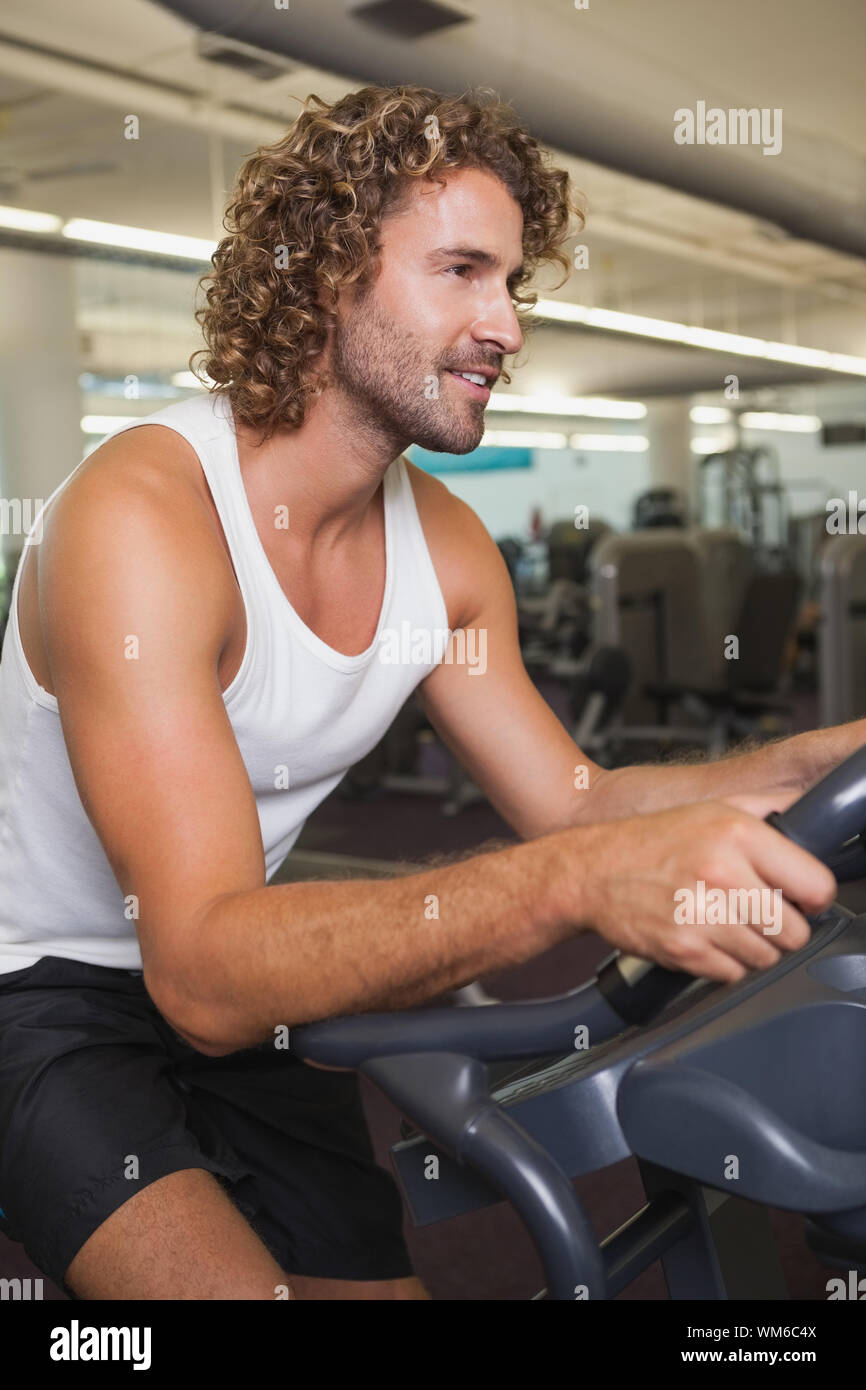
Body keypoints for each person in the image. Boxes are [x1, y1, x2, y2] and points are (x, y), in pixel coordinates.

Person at [0, 84, 851, 1303]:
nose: (505, 323)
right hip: (42, 992)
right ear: (327, 272)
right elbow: (194, 971)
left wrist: (816, 765)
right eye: (460, 270)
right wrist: (568, 886)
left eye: (511, 282)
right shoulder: (144, 520)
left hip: (250, 972)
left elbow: (574, 803)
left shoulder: (446, 554)